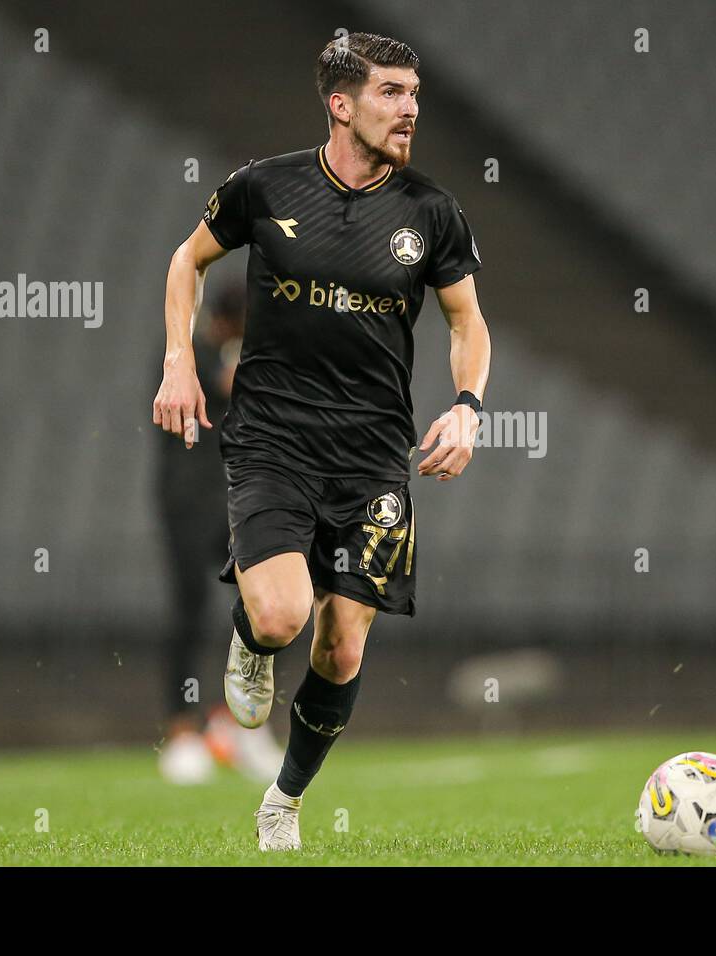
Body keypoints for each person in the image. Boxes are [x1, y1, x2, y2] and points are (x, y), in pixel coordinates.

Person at [152, 33, 491, 850]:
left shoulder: (432, 212)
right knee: (280, 617)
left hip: (374, 455)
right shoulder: (265, 186)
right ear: (341, 104)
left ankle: (284, 798)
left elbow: (466, 322)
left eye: (414, 93)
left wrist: (469, 404)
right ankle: (251, 640)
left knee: (338, 650)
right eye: (391, 93)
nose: (410, 108)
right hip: (274, 441)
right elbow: (186, 262)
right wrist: (178, 364)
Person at [154, 283, 282, 784]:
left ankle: (239, 722)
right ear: (228, 322)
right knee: (188, 610)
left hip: (236, 502)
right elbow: (223, 385)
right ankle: (183, 730)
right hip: (187, 503)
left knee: (266, 606)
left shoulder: (234, 358)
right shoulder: (186, 355)